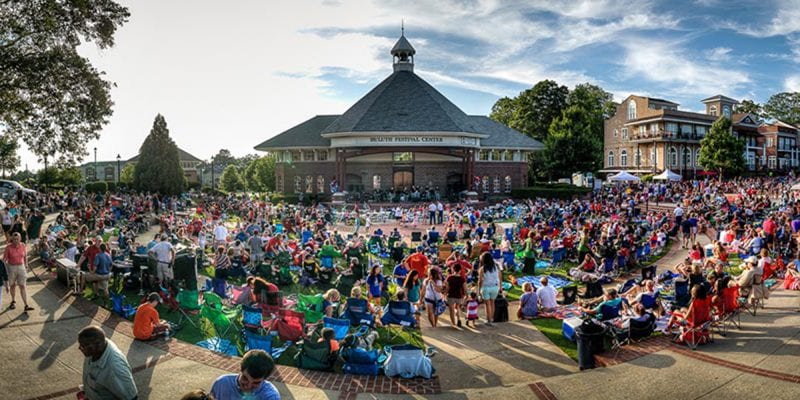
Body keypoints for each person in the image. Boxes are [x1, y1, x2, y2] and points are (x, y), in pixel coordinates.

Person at [78, 325, 138, 400]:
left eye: (83, 346)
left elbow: (131, 398)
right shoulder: (97, 348)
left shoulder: (115, 369)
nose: (79, 348)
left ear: (98, 344)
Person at [211, 349, 281, 400]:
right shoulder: (222, 383)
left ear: (264, 380)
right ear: (240, 370)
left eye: (256, 382)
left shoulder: (271, 397)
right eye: (245, 378)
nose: (248, 386)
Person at [3, 232, 32, 311]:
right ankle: (13, 301)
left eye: (17, 239)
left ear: (20, 239)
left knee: (22, 286)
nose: (16, 241)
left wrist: (26, 265)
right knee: (13, 285)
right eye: (14, 239)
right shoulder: (8, 247)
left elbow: (25, 256)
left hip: (21, 267)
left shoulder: (23, 245)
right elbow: (4, 259)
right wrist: (4, 270)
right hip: (11, 267)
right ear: (12, 239)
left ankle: (26, 305)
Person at [477, 252, 500, 326]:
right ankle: (491, 319)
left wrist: (479, 291)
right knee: (492, 303)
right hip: (495, 287)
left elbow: (480, 281)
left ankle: (488, 319)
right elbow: (499, 277)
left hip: (486, 287)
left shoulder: (482, 269)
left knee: (487, 305)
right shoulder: (496, 266)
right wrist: (500, 287)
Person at [444, 263, 467, 328]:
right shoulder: (462, 278)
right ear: (460, 270)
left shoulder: (449, 277)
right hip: (459, 295)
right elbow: (465, 288)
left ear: (453, 269)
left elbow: (447, 288)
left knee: (451, 310)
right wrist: (466, 295)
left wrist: (445, 294)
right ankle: (458, 319)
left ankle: (453, 323)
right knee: (457, 308)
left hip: (451, 295)